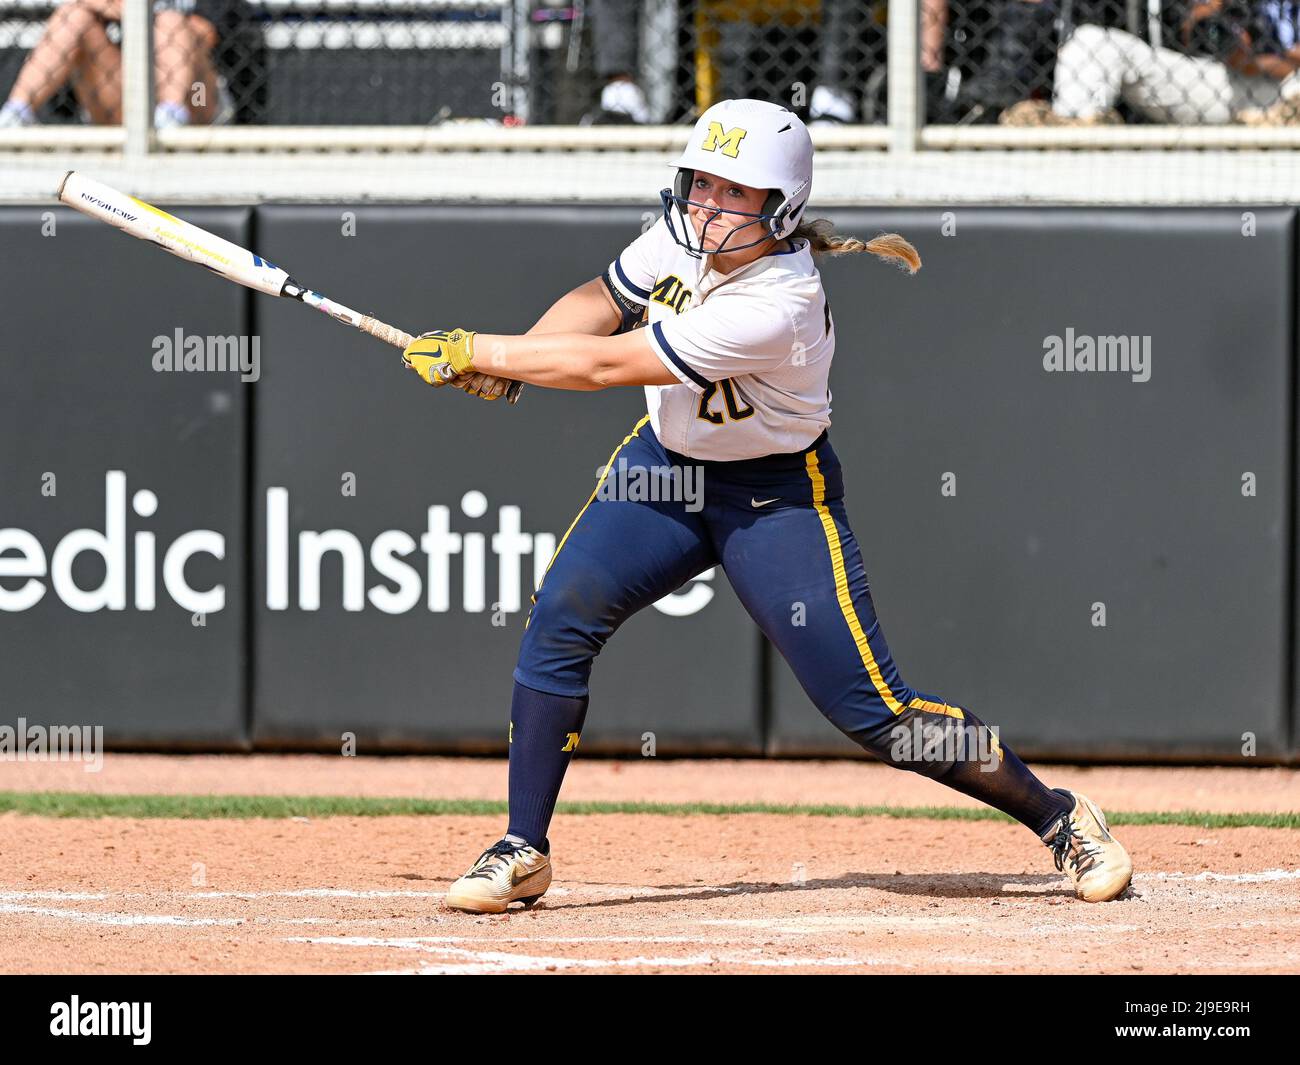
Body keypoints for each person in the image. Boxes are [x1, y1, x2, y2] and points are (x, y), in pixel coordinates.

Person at [399, 98, 1134, 914]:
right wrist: (519, 354)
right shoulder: (682, 235)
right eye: (700, 184)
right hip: (665, 474)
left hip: (774, 497)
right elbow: (599, 302)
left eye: (733, 193)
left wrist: (487, 351)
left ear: (780, 208)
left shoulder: (778, 302)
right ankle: (523, 844)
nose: (706, 207)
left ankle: (1061, 816)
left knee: (875, 713)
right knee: (561, 613)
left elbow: (610, 364)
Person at [0, 0, 238, 128]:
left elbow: (207, 34)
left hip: (196, 97)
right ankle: (15, 114)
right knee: (72, 16)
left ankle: (170, 119)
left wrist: (136, 11)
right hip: (121, 98)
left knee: (170, 23)